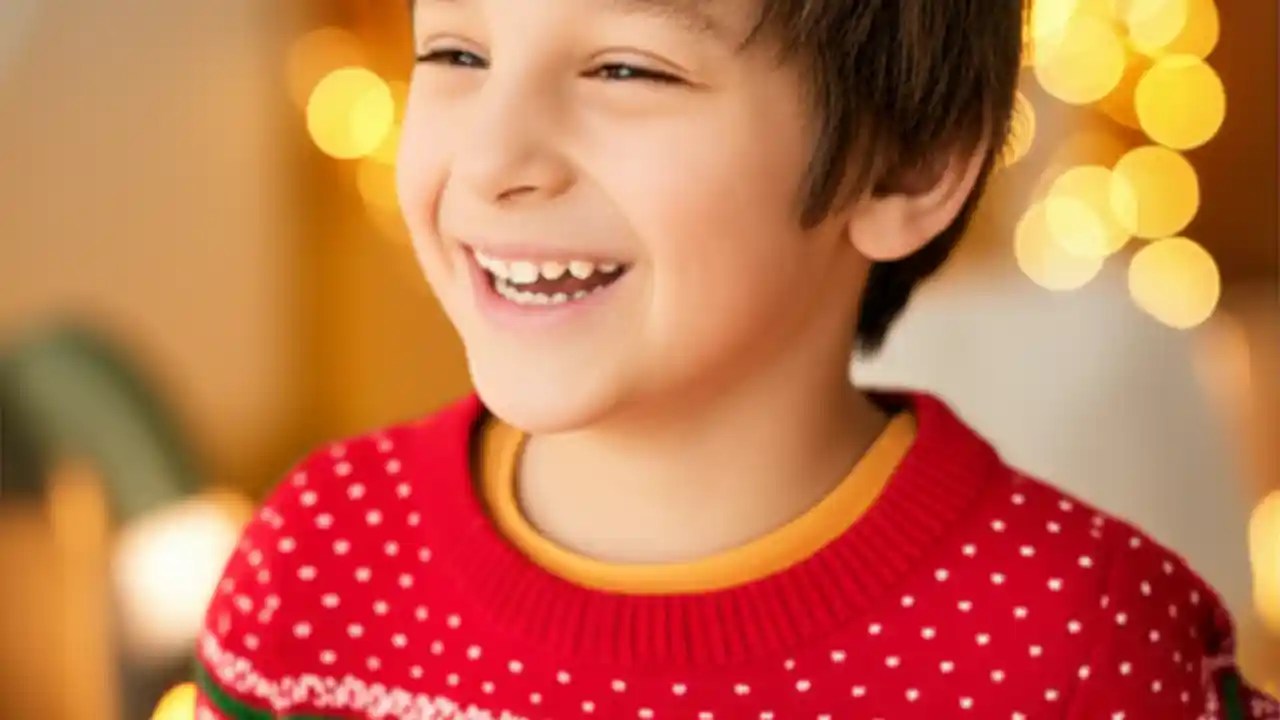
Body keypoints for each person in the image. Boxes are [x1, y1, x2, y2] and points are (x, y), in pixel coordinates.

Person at [193, 0, 1279, 717]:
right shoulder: (316, 566)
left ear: (902, 168)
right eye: (456, 55)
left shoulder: (1080, 646)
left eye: (626, 69)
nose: (490, 159)